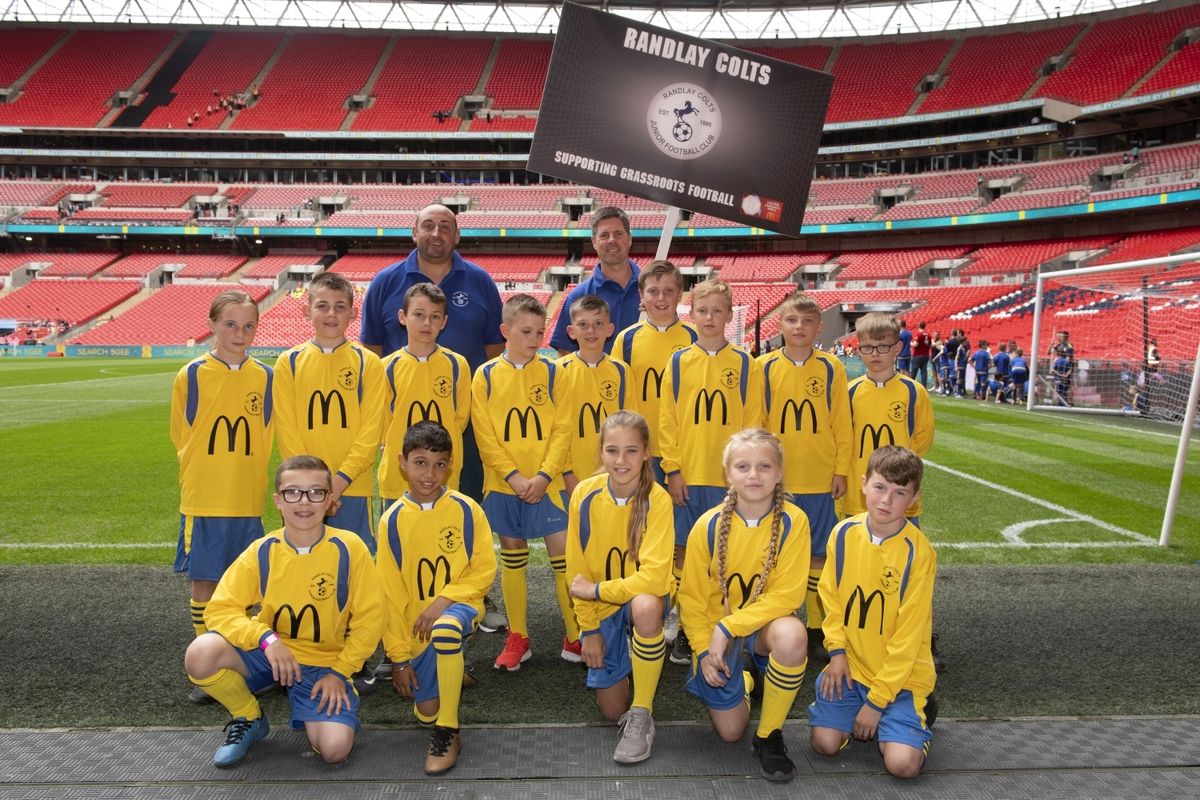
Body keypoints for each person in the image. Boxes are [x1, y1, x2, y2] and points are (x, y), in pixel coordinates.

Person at [184, 456, 384, 767]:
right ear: (278, 500)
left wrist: (340, 672)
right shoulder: (262, 550)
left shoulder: (349, 547)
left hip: (322, 667)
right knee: (201, 653)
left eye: (316, 492)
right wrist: (266, 638)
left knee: (334, 750)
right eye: (293, 492)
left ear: (330, 500)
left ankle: (322, 699)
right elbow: (220, 609)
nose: (304, 502)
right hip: (270, 655)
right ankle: (248, 717)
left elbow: (371, 619)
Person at [679, 429, 811, 783]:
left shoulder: (794, 523)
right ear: (728, 474)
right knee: (730, 732)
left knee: (793, 634)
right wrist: (704, 650)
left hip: (760, 630)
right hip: (715, 640)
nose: (754, 475)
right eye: (743, 466)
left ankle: (769, 734)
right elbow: (690, 599)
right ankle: (748, 677)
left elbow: (788, 597)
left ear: (780, 472)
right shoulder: (706, 526)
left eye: (765, 466)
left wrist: (728, 627)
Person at [359, 204, 504, 500]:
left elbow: (495, 349)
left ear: (457, 235)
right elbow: (371, 352)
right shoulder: (385, 282)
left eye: (445, 226)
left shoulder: (481, 282)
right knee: (403, 517)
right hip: (403, 427)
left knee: (462, 505)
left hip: (464, 422)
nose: (436, 233)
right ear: (414, 233)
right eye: (428, 225)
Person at [809, 446, 937, 780]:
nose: (886, 501)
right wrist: (836, 653)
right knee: (824, 744)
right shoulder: (843, 534)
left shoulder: (918, 554)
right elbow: (831, 600)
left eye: (899, 493)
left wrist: (878, 702)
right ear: (864, 483)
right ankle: (868, 717)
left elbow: (909, 640)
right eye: (880, 488)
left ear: (914, 498)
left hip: (901, 680)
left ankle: (916, 716)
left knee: (902, 766)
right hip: (850, 669)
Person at [376, 422, 497, 775]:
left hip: (461, 606)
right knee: (423, 709)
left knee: (445, 629)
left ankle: (448, 730)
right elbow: (389, 593)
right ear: (402, 462)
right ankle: (451, 671)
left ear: (451, 465)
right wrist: (399, 660)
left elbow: (483, 571)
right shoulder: (392, 520)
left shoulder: (466, 509)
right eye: (420, 463)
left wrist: (444, 600)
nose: (430, 474)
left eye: (440, 464)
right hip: (416, 628)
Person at [171, 289, 274, 703]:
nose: (239, 332)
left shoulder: (265, 376)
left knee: (248, 588)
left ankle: (243, 663)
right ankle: (207, 668)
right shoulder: (192, 374)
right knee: (206, 584)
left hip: (247, 499)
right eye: (230, 324)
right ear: (213, 324)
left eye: (249, 325)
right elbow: (182, 434)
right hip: (206, 498)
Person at [659, 279, 764, 665]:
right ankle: (688, 625)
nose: (709, 318)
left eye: (718, 311)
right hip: (688, 473)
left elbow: (753, 422)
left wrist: (743, 473)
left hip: (727, 480)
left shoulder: (744, 363)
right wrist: (672, 469)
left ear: (729, 315)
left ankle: (725, 623)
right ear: (692, 314)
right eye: (702, 311)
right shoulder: (678, 361)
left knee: (726, 553)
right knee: (685, 551)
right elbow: (668, 420)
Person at [472, 294, 578, 670]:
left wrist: (544, 475)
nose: (535, 339)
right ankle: (519, 635)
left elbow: (563, 429)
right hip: (504, 485)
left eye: (540, 331)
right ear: (506, 331)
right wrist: (514, 477)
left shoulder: (554, 373)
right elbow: (485, 436)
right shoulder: (484, 376)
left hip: (546, 485)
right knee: (512, 555)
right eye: (526, 331)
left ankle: (575, 634)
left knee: (564, 558)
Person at [565, 411, 674, 764]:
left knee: (644, 606)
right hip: (602, 608)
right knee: (612, 711)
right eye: (612, 451)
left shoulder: (658, 500)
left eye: (631, 451)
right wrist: (590, 629)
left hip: (634, 600)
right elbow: (575, 574)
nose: (621, 460)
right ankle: (635, 656)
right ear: (600, 452)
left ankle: (642, 711)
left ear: (646, 453)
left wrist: (597, 590)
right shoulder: (584, 494)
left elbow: (655, 579)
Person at [758, 291, 851, 662]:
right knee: (773, 554)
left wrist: (841, 469)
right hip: (779, 482)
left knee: (818, 556)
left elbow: (842, 424)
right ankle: (773, 622)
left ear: (818, 327)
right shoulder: (763, 367)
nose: (799, 327)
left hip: (819, 477)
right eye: (792, 320)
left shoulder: (832, 368)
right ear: (779, 325)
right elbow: (757, 423)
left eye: (807, 321)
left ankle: (815, 627)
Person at [274, 272, 385, 553]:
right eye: (322, 305)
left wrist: (336, 484)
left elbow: (370, 433)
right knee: (303, 564)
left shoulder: (369, 363)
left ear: (353, 312)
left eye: (340, 306)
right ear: (306, 309)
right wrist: (311, 485)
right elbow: (286, 429)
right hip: (301, 492)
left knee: (352, 567)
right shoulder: (289, 362)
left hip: (352, 487)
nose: (331, 313)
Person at [378, 284, 471, 504]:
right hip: (398, 475)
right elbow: (382, 422)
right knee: (399, 536)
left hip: (443, 474)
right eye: (419, 315)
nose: (427, 323)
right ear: (403, 317)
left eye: (435, 317)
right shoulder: (386, 367)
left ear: (444, 322)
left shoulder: (457, 365)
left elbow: (460, 419)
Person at [838, 313, 933, 525]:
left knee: (903, 555)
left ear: (897, 348)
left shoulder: (914, 392)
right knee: (857, 555)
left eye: (883, 346)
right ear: (859, 349)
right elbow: (842, 439)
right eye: (867, 347)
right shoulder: (849, 392)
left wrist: (900, 467)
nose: (875, 353)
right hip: (858, 495)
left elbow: (923, 438)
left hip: (900, 494)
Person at [613, 259, 698, 484]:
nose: (661, 298)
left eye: (669, 291)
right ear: (641, 295)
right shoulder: (626, 339)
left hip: (683, 449)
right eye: (653, 291)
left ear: (680, 293)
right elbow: (617, 399)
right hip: (641, 450)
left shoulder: (694, 338)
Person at [553, 294, 630, 496]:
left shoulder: (621, 371)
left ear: (610, 329)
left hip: (614, 473)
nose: (591, 331)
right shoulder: (558, 371)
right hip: (568, 475)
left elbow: (629, 425)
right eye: (583, 324)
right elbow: (554, 429)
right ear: (571, 331)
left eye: (598, 323)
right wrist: (567, 472)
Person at [550, 207, 642, 355]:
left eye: (618, 234)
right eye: (604, 235)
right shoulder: (578, 296)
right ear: (594, 242)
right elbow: (565, 352)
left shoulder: (652, 291)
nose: (612, 240)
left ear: (629, 238)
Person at [910, 322, 931, 388]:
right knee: (924, 371)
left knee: (914, 371)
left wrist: (911, 343)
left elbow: (915, 344)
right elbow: (930, 345)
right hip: (926, 355)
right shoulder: (928, 335)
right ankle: (923, 386)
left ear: (919, 326)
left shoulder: (919, 334)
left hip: (918, 355)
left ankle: (911, 386)